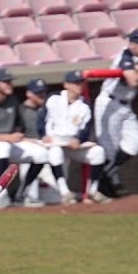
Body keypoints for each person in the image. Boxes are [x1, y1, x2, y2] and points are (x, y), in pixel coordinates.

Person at [0, 68, 50, 206]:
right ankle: (2, 193)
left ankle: (22, 193)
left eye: (10, 82)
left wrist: (23, 138)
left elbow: (18, 127)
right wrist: (8, 137)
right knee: (3, 146)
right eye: (5, 82)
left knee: (41, 153)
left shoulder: (12, 100)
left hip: (7, 144)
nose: (9, 84)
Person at [96, 29, 138, 198]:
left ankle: (105, 175)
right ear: (131, 44)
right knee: (109, 148)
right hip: (109, 103)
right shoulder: (126, 56)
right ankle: (105, 186)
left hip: (126, 105)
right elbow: (133, 81)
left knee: (135, 143)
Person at [43, 70, 109, 204]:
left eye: (81, 83)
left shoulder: (84, 105)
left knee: (98, 152)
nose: (79, 86)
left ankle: (92, 190)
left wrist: (79, 140)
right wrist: (43, 134)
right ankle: (65, 192)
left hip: (73, 143)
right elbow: (41, 119)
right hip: (54, 141)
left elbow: (86, 128)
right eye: (75, 83)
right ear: (66, 85)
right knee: (55, 153)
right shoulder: (54, 98)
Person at [13, 78, 53, 206]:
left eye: (43, 92)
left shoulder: (47, 109)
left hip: (45, 147)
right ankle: (22, 195)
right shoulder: (20, 110)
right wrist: (31, 140)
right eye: (38, 93)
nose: (42, 95)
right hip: (26, 148)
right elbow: (16, 134)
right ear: (29, 94)